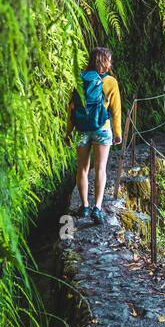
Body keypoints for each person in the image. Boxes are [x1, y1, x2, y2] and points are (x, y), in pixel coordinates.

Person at [67, 46, 122, 225]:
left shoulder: (80, 79)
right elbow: (116, 110)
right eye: (109, 60)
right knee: (100, 168)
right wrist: (118, 132)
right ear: (105, 61)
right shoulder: (110, 82)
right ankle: (97, 208)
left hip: (81, 128)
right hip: (102, 128)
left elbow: (71, 108)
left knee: (82, 168)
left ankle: (84, 206)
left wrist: (68, 131)